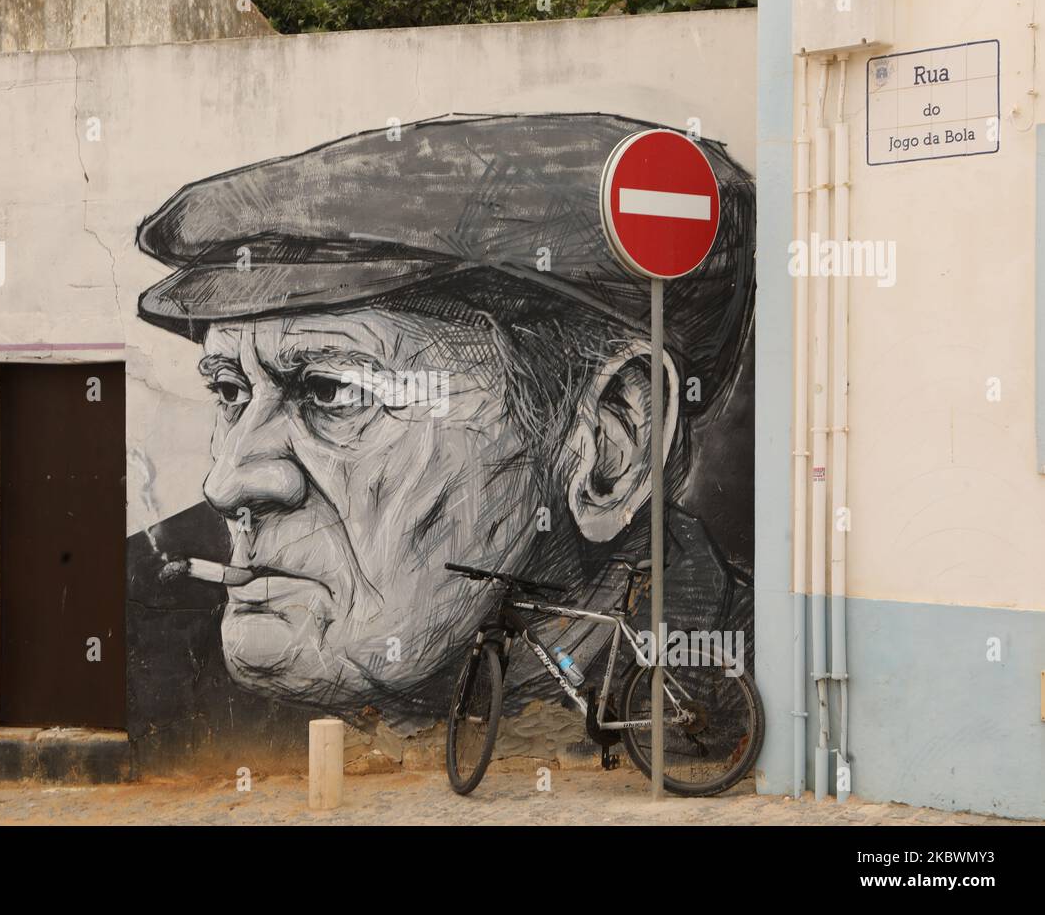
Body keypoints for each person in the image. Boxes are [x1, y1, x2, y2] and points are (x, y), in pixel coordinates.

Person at [128, 113, 754, 725]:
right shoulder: (158, 642)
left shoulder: (738, 680)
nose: (227, 483)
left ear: (612, 446)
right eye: (232, 392)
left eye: (333, 392)